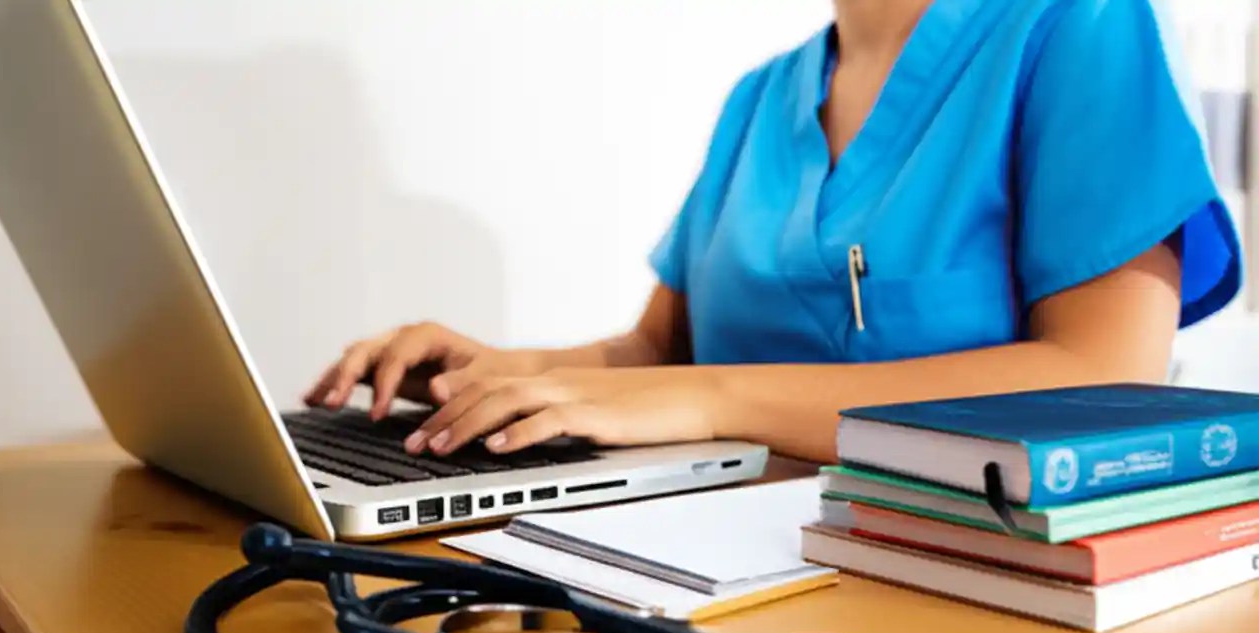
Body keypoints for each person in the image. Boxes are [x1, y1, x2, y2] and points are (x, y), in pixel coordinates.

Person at [305, 0, 1242, 464]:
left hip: (957, 599)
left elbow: (1105, 381)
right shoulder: (760, 100)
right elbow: (653, 353)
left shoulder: (1077, 25)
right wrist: (502, 373)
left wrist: (716, 400)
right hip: (705, 569)